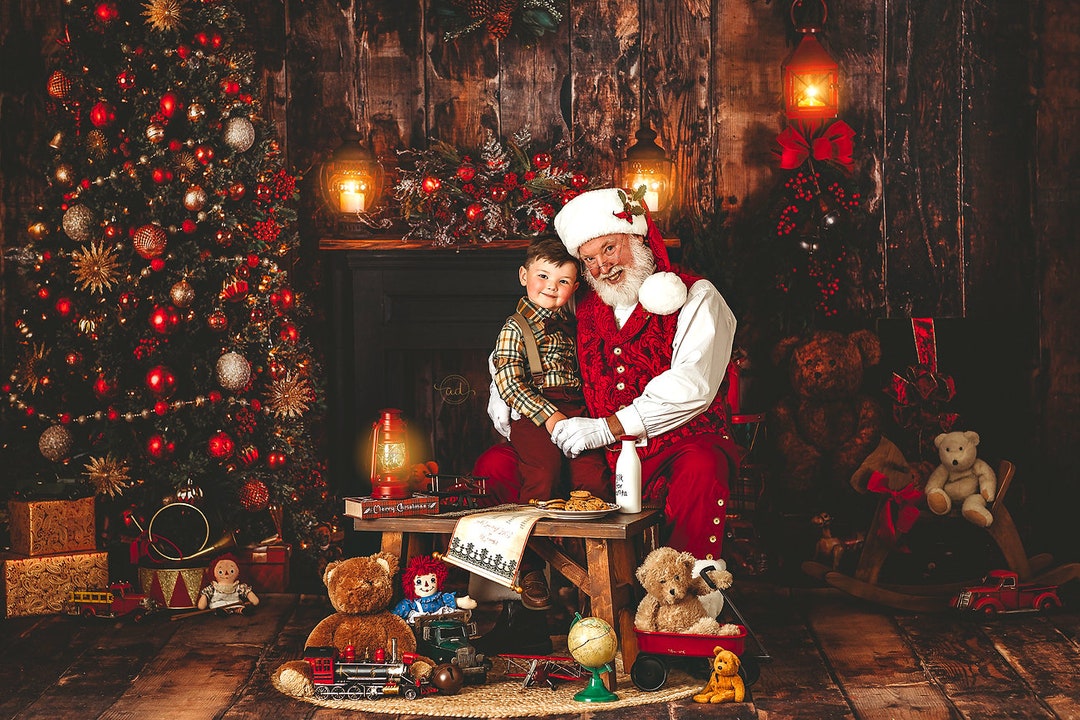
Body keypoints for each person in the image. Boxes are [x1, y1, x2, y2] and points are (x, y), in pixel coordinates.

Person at [476, 186, 741, 566]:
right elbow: (526, 332)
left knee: (702, 464)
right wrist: (499, 387)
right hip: (597, 452)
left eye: (610, 249)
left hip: (674, 447)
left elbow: (692, 385)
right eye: (589, 260)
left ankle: (686, 598)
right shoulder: (582, 299)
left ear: (638, 237)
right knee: (495, 464)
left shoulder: (696, 295)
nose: (602, 268)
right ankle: (525, 590)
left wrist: (608, 427)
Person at [489, 236, 609, 610]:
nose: (551, 288)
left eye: (562, 282)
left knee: (591, 479)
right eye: (543, 277)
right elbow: (509, 380)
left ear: (574, 287)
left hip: (577, 410)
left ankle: (580, 571)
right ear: (524, 276)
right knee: (543, 474)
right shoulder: (515, 327)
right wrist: (550, 417)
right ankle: (530, 566)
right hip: (535, 412)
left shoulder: (571, 324)